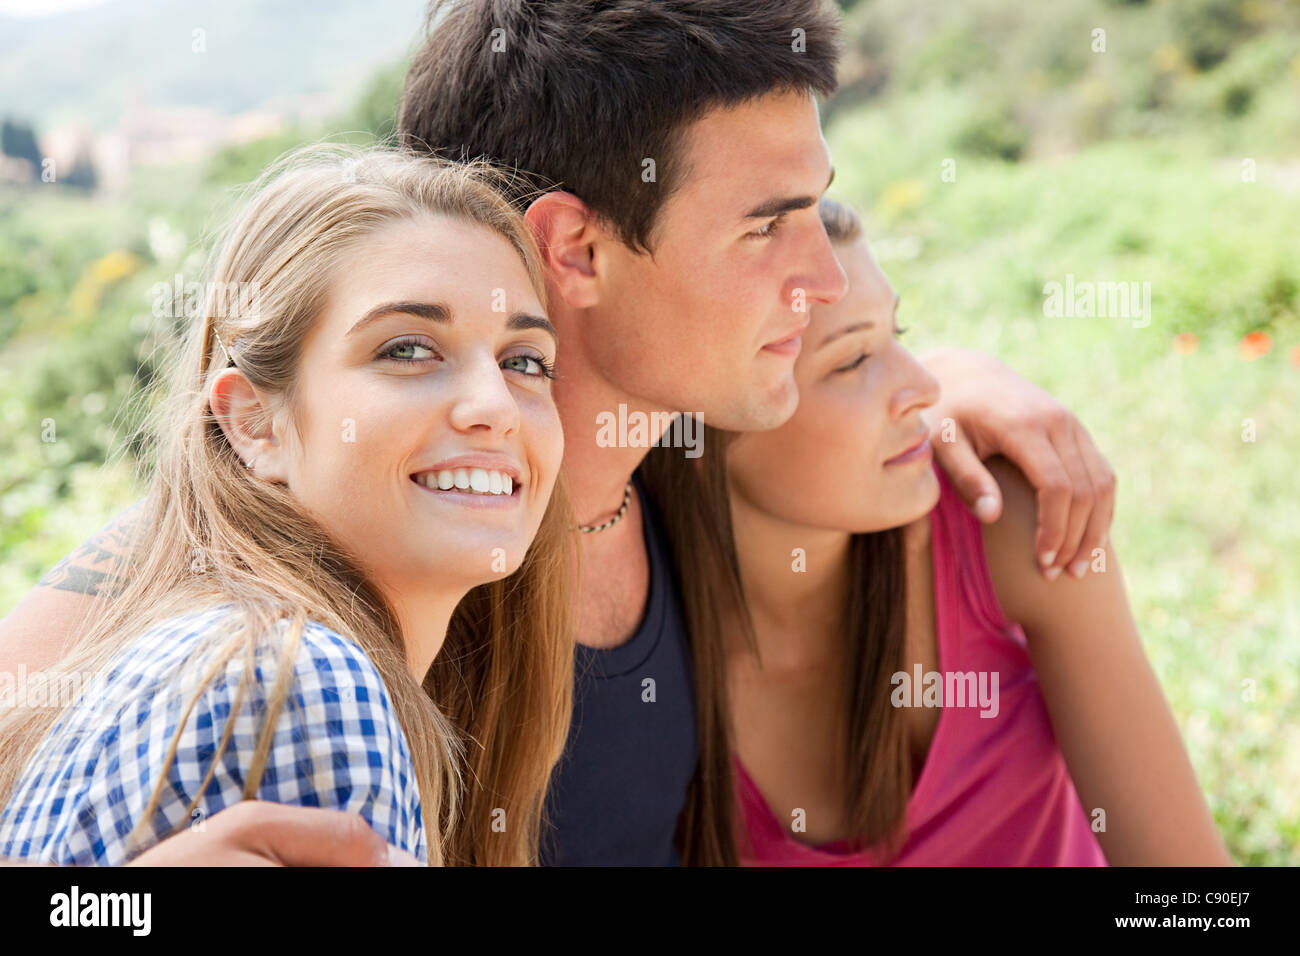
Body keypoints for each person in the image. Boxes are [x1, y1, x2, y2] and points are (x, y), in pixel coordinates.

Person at [0, 0, 1117, 866]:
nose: (817, 279)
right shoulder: (316, 533)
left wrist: (959, 384)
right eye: (767, 225)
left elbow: (872, 398)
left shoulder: (688, 461)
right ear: (577, 250)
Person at [0, 145, 574, 867]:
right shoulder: (301, 684)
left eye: (524, 361)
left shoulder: (229, 648)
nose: (496, 407)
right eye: (407, 349)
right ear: (255, 424)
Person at [641, 199, 1232, 866]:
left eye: (899, 335)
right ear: (703, 422)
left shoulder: (1002, 524)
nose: (924, 385)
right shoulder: (630, 639)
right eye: (853, 359)